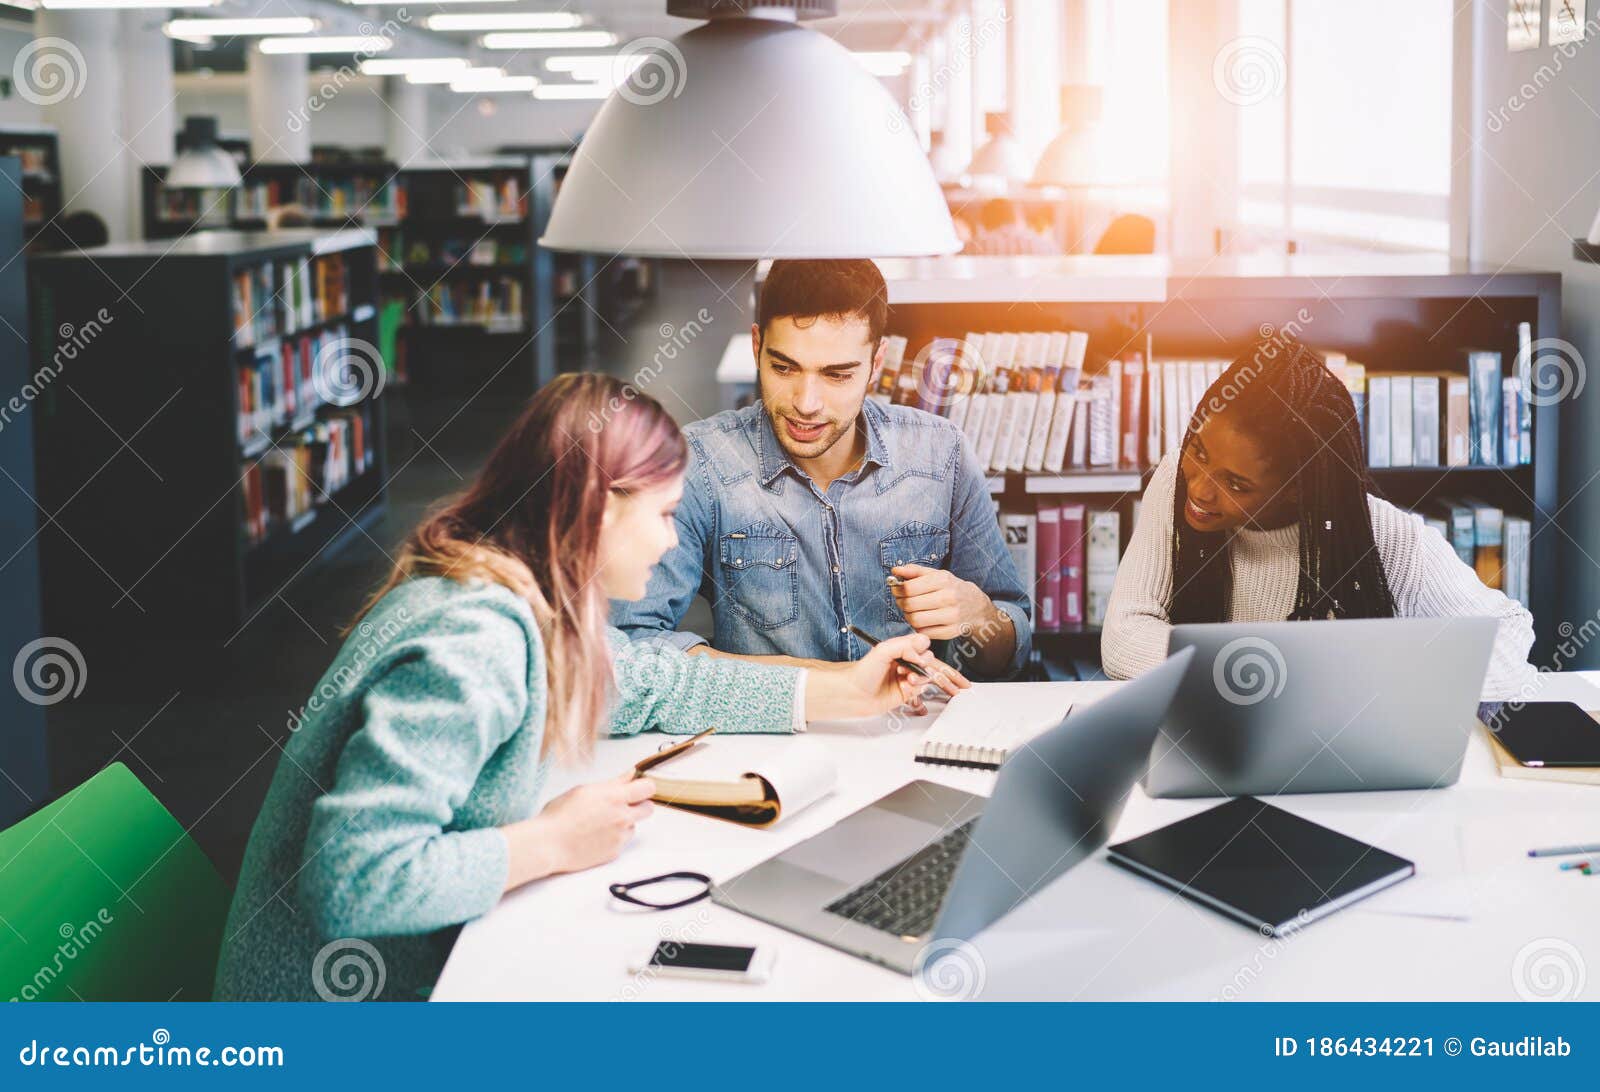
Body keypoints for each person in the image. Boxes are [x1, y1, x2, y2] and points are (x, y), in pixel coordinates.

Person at [215, 374, 959, 1002]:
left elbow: (646, 683)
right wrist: (549, 843)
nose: (673, 541)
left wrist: (846, 693)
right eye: (663, 515)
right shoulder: (476, 638)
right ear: (601, 507)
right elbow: (354, 878)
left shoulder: (524, 592)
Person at [612, 259, 1032, 680]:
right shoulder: (701, 462)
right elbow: (629, 646)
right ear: (756, 347)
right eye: (783, 367)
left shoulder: (942, 453)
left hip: (911, 733)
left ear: (877, 362)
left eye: (837, 375)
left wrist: (978, 616)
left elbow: (1009, 655)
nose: (806, 403)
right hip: (764, 740)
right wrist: (829, 685)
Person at [1101, 338, 1538, 699]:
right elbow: (1123, 640)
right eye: (1198, 451)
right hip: (1209, 746)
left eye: (1236, 484)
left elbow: (1509, 639)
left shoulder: (1388, 538)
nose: (1199, 489)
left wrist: (1377, 676)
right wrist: (1268, 672)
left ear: (1298, 489)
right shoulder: (1174, 481)